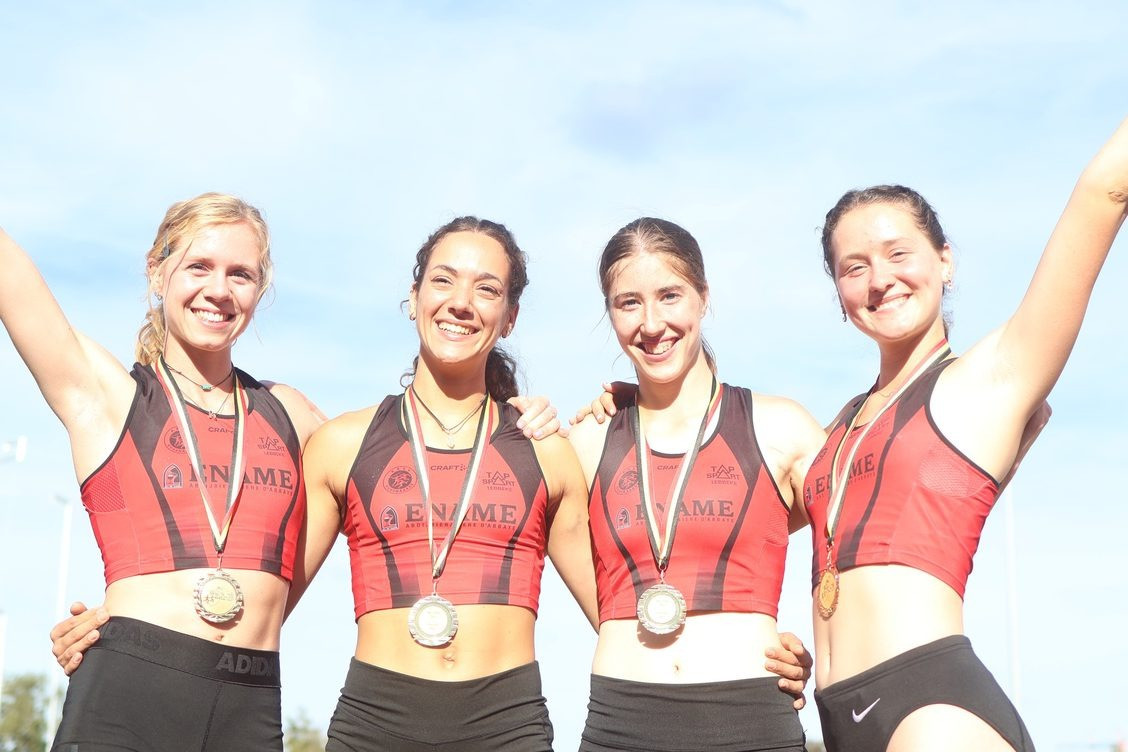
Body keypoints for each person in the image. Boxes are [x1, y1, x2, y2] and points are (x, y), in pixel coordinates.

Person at [805, 116, 1128, 751]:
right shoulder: (837, 429)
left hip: (934, 712)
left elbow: (1106, 192)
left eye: (900, 254)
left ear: (945, 261)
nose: (880, 279)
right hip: (839, 719)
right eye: (854, 267)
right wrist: (624, 407)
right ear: (838, 293)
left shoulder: (990, 380)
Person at [1, 193, 324, 751]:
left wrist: (517, 413)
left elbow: (411, 443)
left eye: (241, 274)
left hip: (249, 707)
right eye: (199, 266)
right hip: (127, 696)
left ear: (259, 290)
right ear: (157, 272)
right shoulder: (107, 398)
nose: (219, 290)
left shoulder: (291, 414)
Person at [293, 216, 600, 752]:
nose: (461, 302)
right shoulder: (341, 444)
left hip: (507, 726)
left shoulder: (547, 450)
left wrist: (753, 650)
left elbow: (616, 612)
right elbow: (264, 600)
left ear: (509, 318)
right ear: (413, 297)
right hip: (374, 724)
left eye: (487, 289)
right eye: (443, 280)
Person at [568, 218, 824, 752]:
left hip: (749, 719)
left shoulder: (779, 428)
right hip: (622, 722)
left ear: (704, 298)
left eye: (670, 295)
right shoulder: (587, 440)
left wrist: (823, 647)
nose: (652, 323)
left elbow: (872, 534)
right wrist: (526, 415)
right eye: (629, 302)